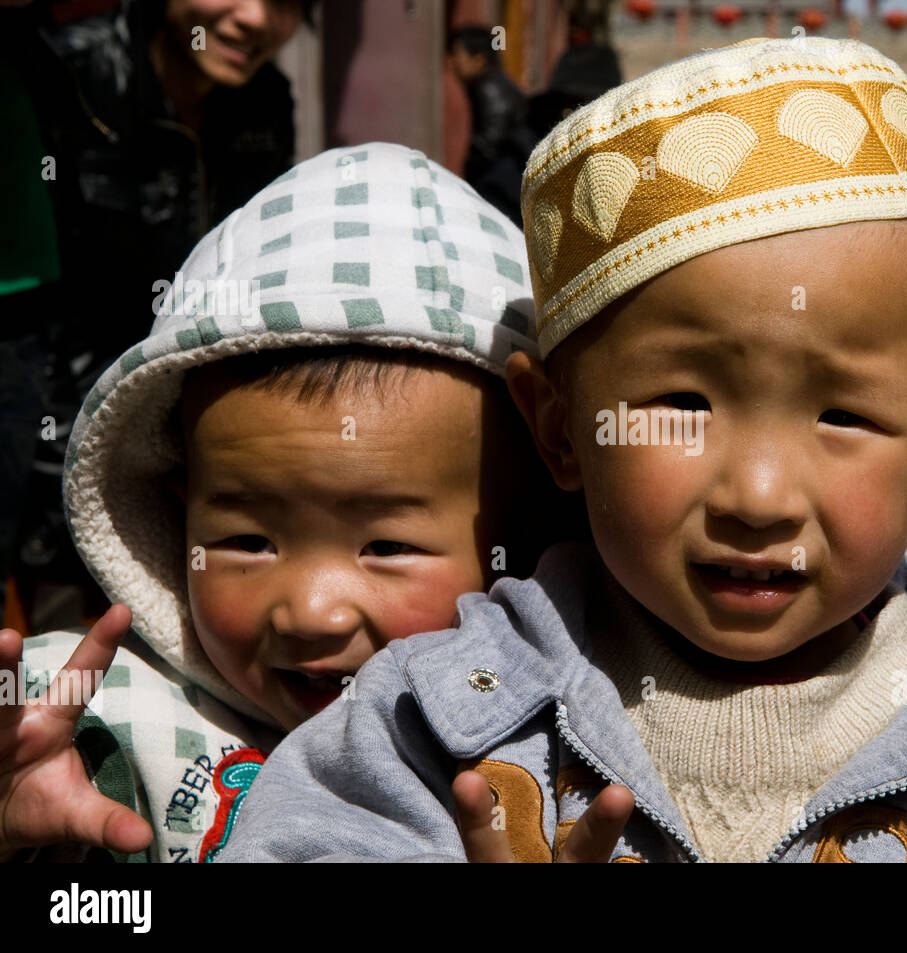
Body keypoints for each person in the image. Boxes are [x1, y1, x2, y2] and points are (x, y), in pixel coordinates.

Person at [218, 37, 907, 863]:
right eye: (680, 406)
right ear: (558, 430)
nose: (757, 495)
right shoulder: (440, 727)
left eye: (842, 417)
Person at [0, 142, 564, 862]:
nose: (310, 611)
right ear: (180, 518)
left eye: (385, 547)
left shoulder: (558, 756)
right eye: (249, 541)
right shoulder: (81, 722)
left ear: (520, 532)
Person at [9, 0, 311, 632]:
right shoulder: (60, 72)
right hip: (42, 432)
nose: (255, 18)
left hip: (178, 430)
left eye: (286, 3)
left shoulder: (264, 100)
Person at [447, 24, 536, 227]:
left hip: (502, 188)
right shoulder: (492, 85)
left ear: (479, 59)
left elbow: (488, 146)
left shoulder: (490, 90)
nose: (452, 63)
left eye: (457, 55)